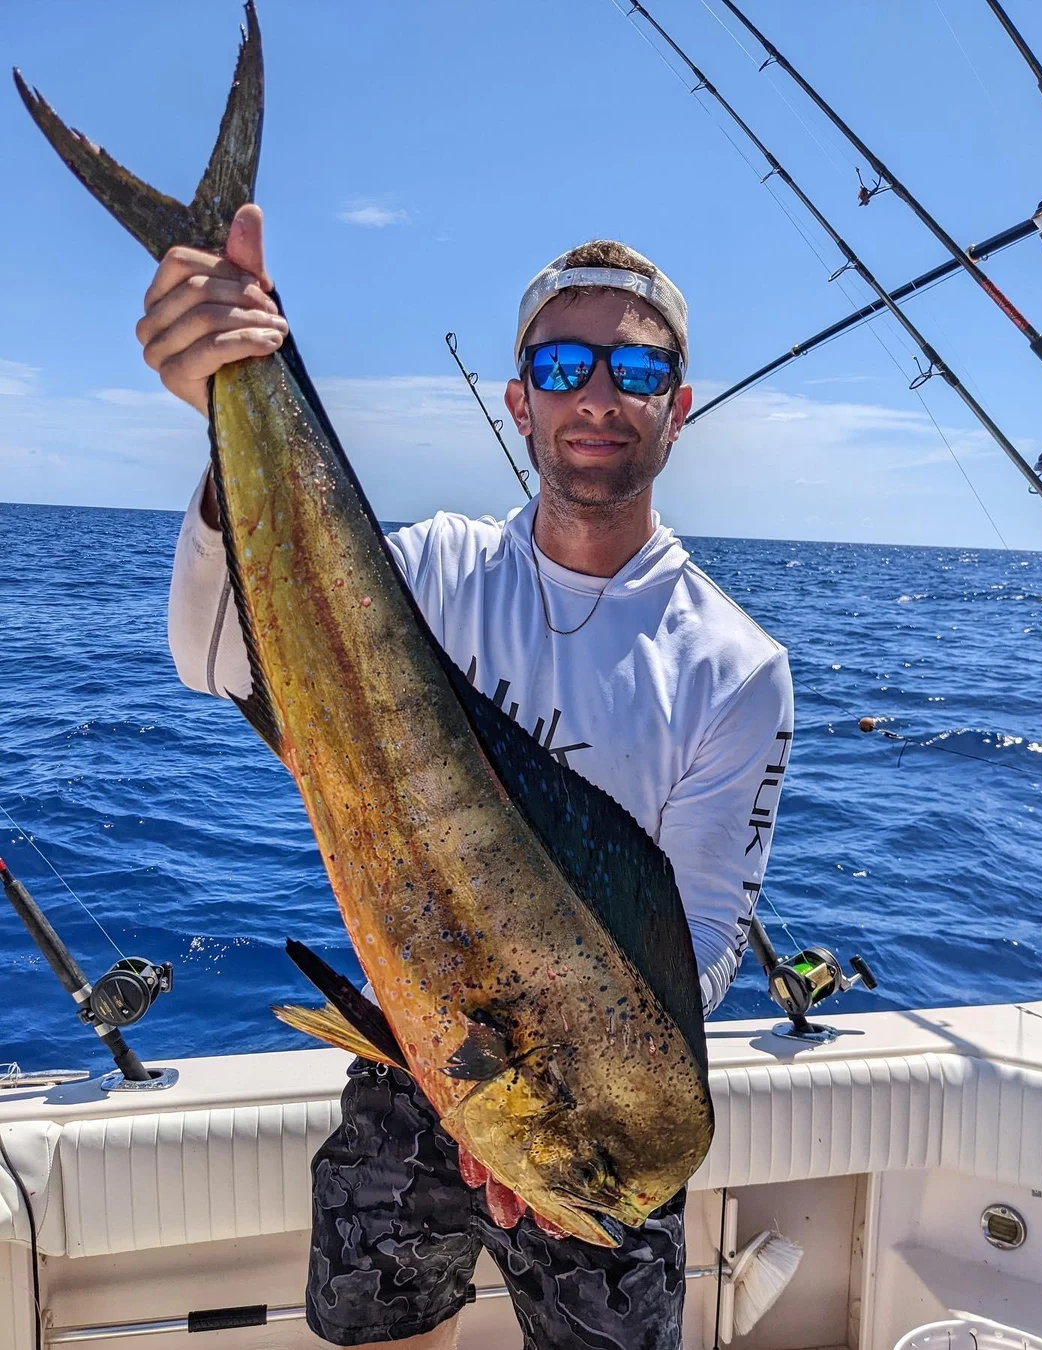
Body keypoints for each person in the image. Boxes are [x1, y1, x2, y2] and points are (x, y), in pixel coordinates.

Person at [138, 203, 794, 1350]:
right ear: (520, 401)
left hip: (592, 1116)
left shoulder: (737, 667)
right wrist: (224, 421)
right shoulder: (429, 570)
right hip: (415, 1059)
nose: (599, 394)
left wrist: (531, 1120)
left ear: (677, 409)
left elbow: (703, 942)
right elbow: (213, 658)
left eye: (638, 367)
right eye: (562, 363)